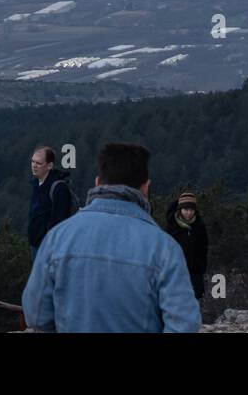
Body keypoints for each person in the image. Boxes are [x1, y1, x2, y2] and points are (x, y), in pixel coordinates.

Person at [22, 142, 201, 333]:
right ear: (146, 188)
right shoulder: (165, 248)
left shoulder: (57, 238)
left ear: (98, 183)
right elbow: (184, 324)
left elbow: (36, 314)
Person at [28, 145, 75, 251]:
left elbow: (60, 222)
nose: (34, 166)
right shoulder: (37, 184)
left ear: (49, 166)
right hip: (36, 245)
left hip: (49, 247)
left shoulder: (59, 189)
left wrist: (47, 244)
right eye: (33, 162)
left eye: (39, 163)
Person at [165, 191, 208, 300]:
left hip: (194, 274)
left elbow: (204, 249)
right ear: (180, 209)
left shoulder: (199, 228)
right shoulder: (171, 228)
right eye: (185, 209)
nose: (188, 213)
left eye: (191, 210)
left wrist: (200, 268)